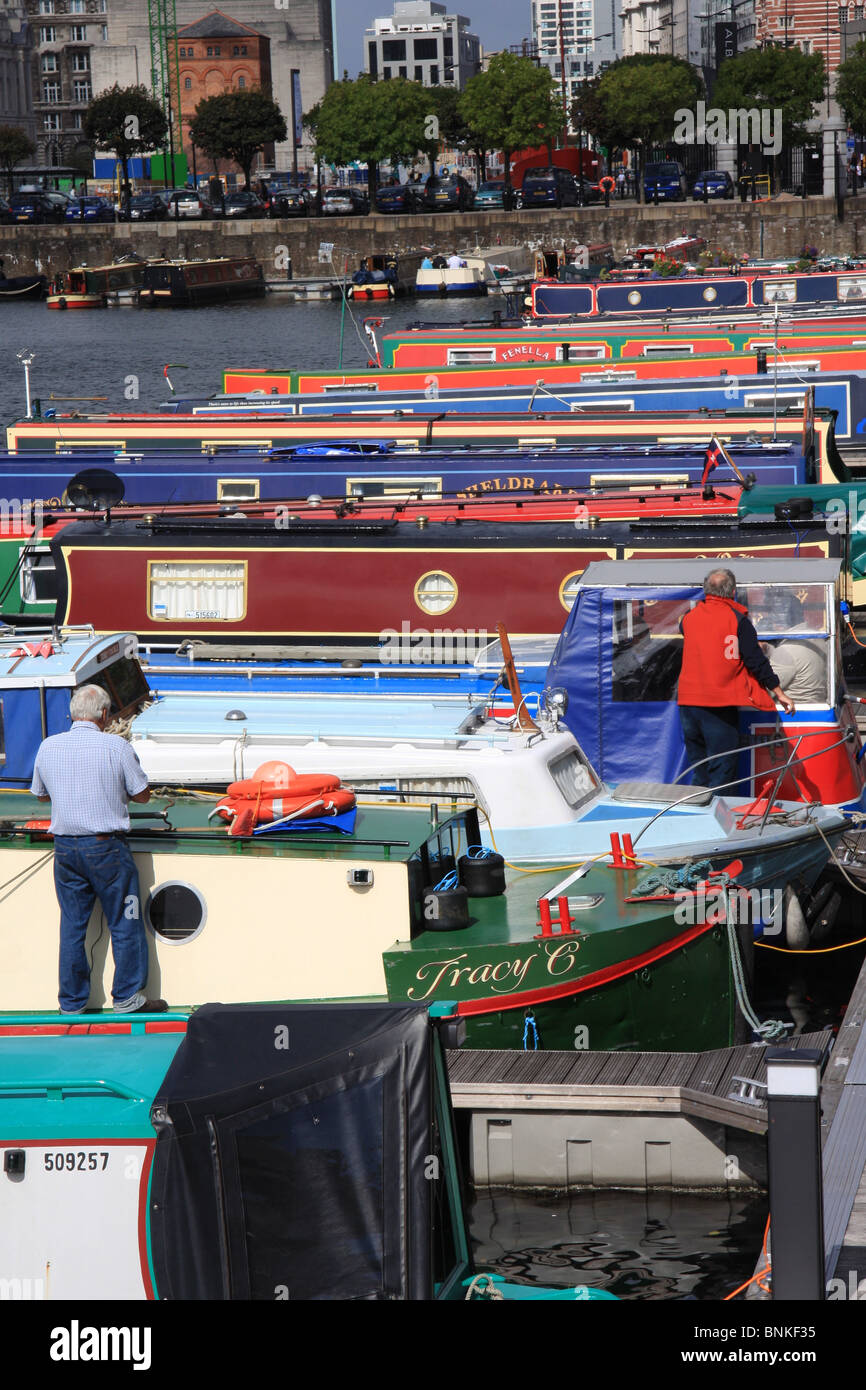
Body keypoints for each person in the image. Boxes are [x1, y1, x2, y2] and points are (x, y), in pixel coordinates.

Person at [30, 684, 166, 1016]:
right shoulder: (115, 747)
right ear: (104, 714)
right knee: (125, 919)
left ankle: (72, 1004)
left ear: (73, 714)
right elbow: (143, 794)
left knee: (73, 925)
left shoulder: (48, 747)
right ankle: (127, 997)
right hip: (106, 849)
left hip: (65, 849)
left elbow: (40, 795)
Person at [677, 569, 795, 793]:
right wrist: (779, 692)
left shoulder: (689, 619)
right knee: (723, 768)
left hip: (688, 704)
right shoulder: (738, 620)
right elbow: (755, 661)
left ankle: (697, 817)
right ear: (732, 591)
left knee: (699, 768)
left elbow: (683, 626)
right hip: (718, 704)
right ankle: (719, 819)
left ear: (706, 590)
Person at [755, 589, 827, 704]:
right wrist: (768, 649)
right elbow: (794, 658)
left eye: (771, 615)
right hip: (817, 703)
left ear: (780, 622)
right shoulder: (817, 638)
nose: (767, 620)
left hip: (793, 710)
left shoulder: (785, 651)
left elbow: (764, 691)